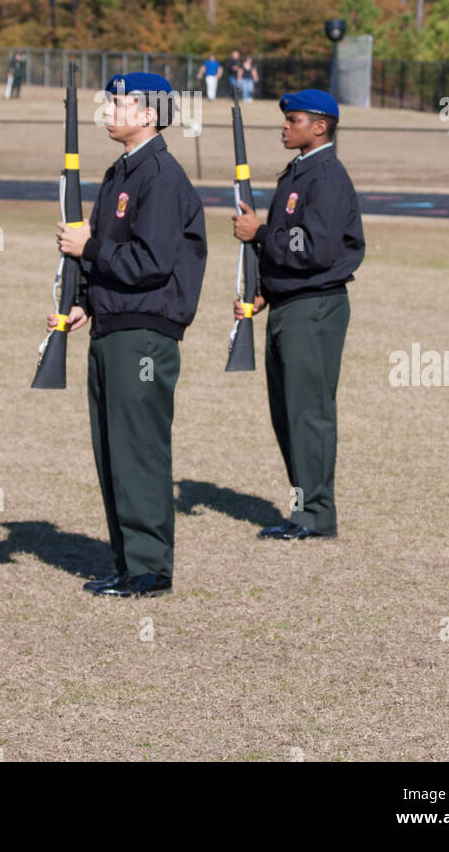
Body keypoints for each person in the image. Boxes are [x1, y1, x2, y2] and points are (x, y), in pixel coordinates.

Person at [52, 72, 207, 598]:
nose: (110, 111)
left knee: (138, 448)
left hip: (143, 331)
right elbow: (110, 254)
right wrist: (83, 303)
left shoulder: (160, 176)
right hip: (113, 324)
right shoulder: (120, 172)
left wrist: (85, 249)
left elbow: (150, 261)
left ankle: (148, 569)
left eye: (120, 103)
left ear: (148, 114)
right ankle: (127, 562)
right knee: (112, 449)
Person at [231, 89, 364, 541]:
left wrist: (261, 232)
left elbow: (315, 248)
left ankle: (315, 514)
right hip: (291, 304)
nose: (285, 126)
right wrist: (266, 289)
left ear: (320, 127)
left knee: (309, 412)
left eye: (295, 119)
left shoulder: (325, 176)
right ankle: (304, 507)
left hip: (315, 307)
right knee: (287, 412)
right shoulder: (300, 172)